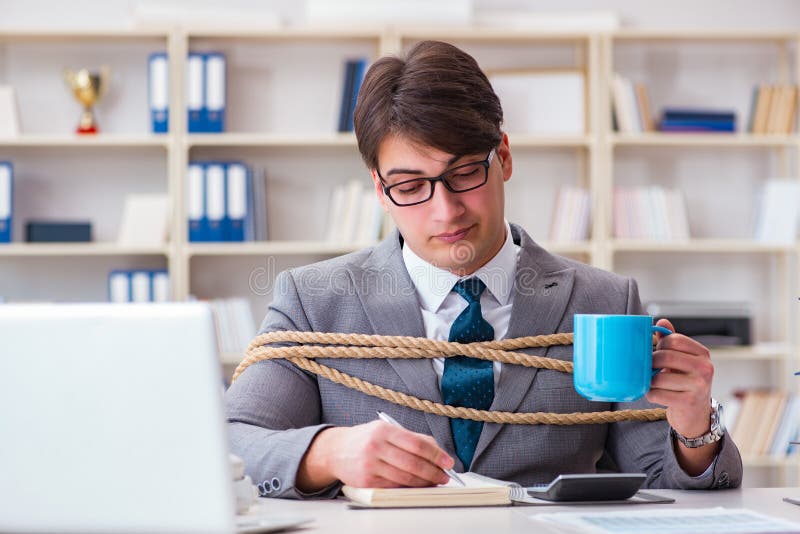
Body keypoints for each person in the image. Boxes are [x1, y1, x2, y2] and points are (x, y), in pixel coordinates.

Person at [225, 40, 742, 499]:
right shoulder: (313, 301)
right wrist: (327, 453)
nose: (446, 211)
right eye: (410, 187)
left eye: (466, 173)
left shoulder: (604, 301)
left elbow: (663, 477)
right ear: (381, 191)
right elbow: (231, 438)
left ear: (505, 157)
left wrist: (694, 423)